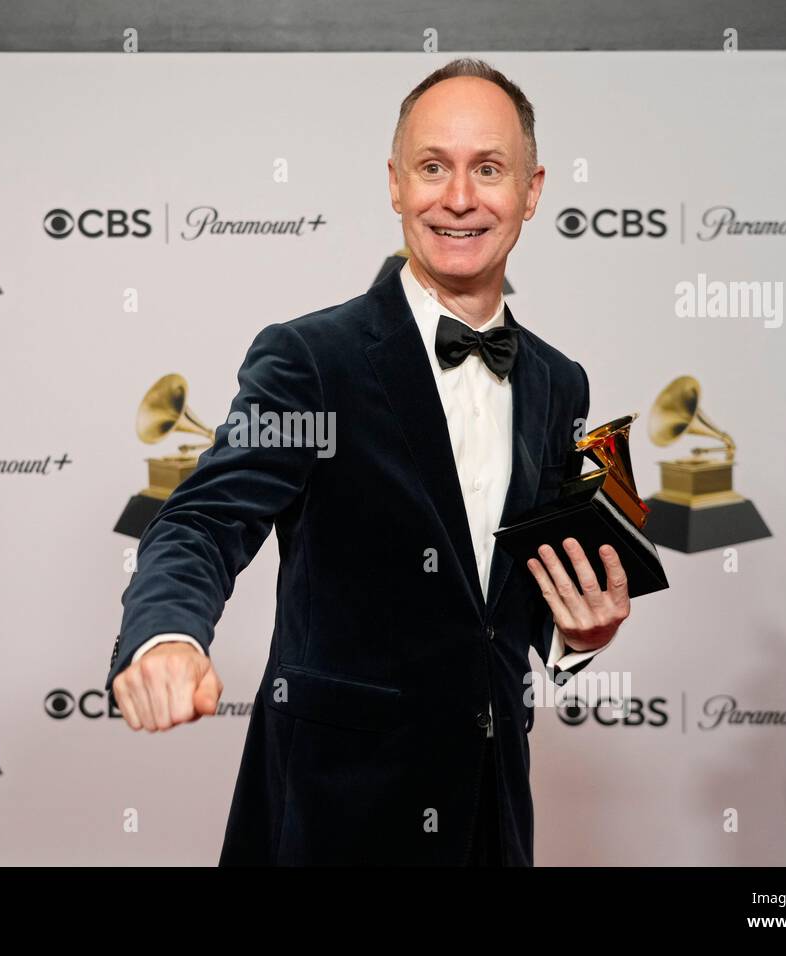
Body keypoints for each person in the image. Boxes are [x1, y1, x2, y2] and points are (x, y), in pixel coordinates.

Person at [104, 57, 630, 866]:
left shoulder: (560, 382)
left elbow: (501, 598)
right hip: (334, 816)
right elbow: (207, 520)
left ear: (531, 190)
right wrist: (168, 634)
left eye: (488, 169)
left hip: (491, 815)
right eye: (432, 168)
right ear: (394, 184)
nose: (459, 198)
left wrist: (578, 633)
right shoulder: (314, 359)